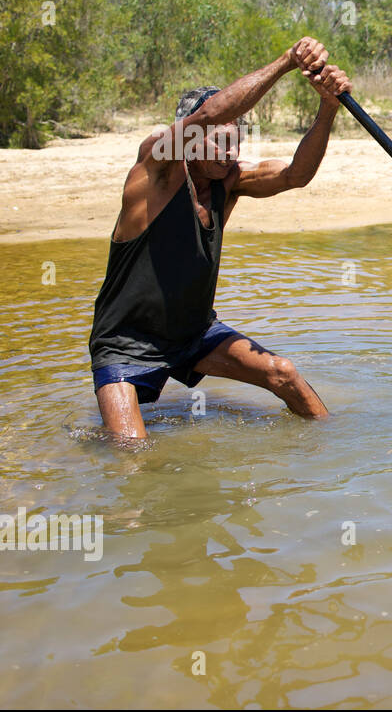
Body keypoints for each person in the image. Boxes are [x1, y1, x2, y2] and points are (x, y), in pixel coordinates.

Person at [89, 37, 352, 438]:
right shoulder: (156, 167)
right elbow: (213, 111)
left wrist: (328, 107)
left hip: (194, 332)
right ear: (189, 137)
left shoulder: (228, 183)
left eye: (236, 140)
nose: (230, 151)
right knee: (129, 453)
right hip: (126, 342)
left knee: (283, 373)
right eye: (219, 139)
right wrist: (287, 61)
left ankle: (332, 443)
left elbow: (296, 174)